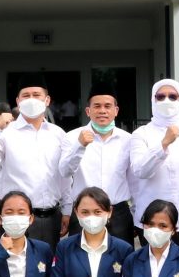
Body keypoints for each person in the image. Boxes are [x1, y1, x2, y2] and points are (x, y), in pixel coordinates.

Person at [0, 75, 70, 245]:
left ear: (47, 100)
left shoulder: (58, 134)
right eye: (26, 95)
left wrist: (67, 209)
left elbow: (65, 175)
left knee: (48, 268)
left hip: (51, 218)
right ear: (17, 101)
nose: (31, 99)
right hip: (17, 220)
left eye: (36, 94)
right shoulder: (5, 134)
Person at [129, 79, 179, 254]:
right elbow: (140, 171)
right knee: (155, 272)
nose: (167, 101)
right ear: (153, 100)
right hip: (152, 221)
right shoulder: (141, 134)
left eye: (173, 96)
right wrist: (163, 144)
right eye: (161, 96)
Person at [59, 83, 137, 244]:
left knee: (120, 265)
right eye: (97, 106)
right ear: (88, 111)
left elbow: (135, 180)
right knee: (80, 263)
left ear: (116, 110)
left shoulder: (128, 140)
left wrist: (135, 214)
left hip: (118, 214)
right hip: (84, 212)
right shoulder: (72, 137)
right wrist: (79, 146)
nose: (102, 110)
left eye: (108, 106)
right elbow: (65, 172)